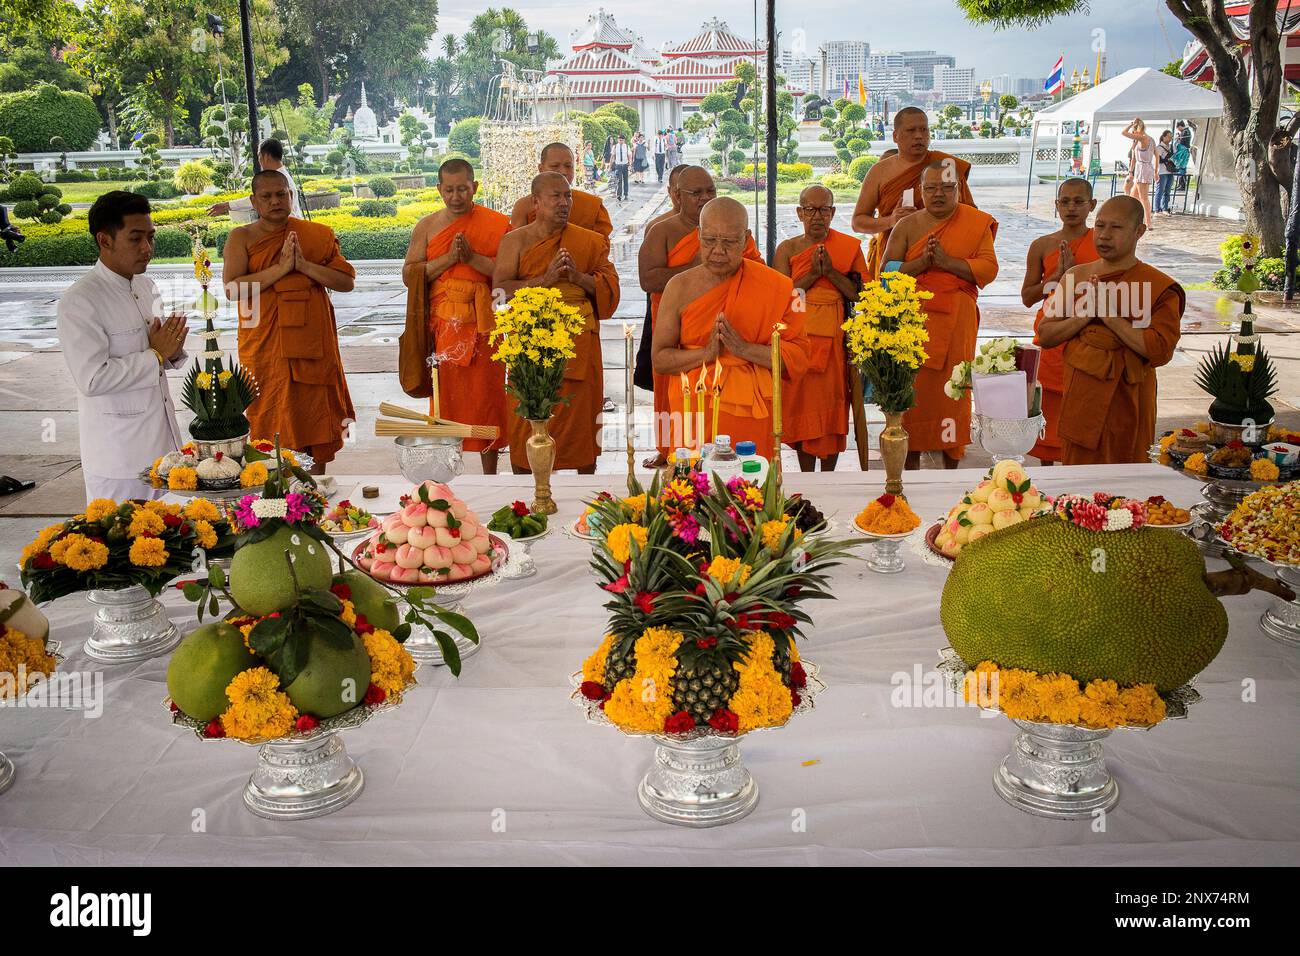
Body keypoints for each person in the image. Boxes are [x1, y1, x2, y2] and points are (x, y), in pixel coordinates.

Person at [653, 197, 808, 460]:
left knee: (749, 488)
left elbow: (799, 358)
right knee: (690, 491)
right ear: (699, 235)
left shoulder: (781, 287)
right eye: (710, 240)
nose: (718, 251)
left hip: (750, 410)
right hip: (693, 406)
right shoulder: (678, 287)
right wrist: (706, 354)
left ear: (746, 239)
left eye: (729, 242)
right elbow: (660, 360)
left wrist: (744, 349)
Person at [222, 169, 355, 473]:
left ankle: (315, 494)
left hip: (312, 343)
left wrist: (303, 265)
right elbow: (232, 289)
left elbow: (345, 282)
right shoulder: (241, 237)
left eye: (281, 194)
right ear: (254, 201)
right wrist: (281, 270)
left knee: (315, 417)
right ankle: (275, 496)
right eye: (266, 196)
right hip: (266, 346)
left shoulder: (315, 235)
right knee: (270, 415)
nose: (275, 201)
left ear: (291, 196)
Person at [58, 191, 187, 501]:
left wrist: (169, 351)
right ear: (105, 240)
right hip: (118, 457)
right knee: (123, 545)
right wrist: (155, 354)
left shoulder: (146, 285)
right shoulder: (80, 301)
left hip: (163, 444)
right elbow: (92, 378)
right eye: (136, 239)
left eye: (151, 237)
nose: (148, 248)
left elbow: (154, 357)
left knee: (171, 542)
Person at [1037, 195, 1183, 465]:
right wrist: (1084, 315)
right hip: (1084, 391)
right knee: (1078, 481)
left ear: (1139, 231)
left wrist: (1110, 317)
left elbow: (1160, 350)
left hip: (1131, 396)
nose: (1103, 236)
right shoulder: (1076, 277)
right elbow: (1045, 334)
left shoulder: (1157, 285)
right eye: (1100, 226)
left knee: (1127, 474)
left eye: (1115, 228)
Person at [493, 172, 620, 475]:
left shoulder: (588, 242)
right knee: (528, 415)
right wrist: (544, 281)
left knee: (579, 418)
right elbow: (498, 293)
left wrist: (577, 278)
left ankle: (582, 489)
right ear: (536, 202)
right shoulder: (515, 241)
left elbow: (610, 288)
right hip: (530, 340)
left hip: (577, 338)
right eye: (556, 197)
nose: (564, 203)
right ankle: (527, 488)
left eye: (568, 196)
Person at [639, 166, 762, 465]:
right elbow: (648, 280)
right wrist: (697, 267)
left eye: (710, 191)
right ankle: (672, 451)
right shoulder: (662, 230)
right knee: (671, 393)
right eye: (697, 193)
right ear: (678, 196)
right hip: (677, 319)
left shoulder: (734, 231)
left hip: (730, 323)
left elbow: (756, 271)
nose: (705, 197)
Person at [882, 161, 998, 469]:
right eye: (931, 187)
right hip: (914, 322)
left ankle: (952, 469)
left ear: (959, 190)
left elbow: (988, 269)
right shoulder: (907, 226)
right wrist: (920, 265)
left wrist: (947, 262)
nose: (939, 194)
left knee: (954, 395)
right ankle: (909, 467)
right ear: (920, 190)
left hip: (957, 320)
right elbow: (885, 274)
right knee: (914, 398)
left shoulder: (975, 223)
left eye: (947, 188)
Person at [402, 158, 511, 475]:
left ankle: (490, 472)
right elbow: (410, 274)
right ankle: (447, 472)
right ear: (439, 189)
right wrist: (450, 258)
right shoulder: (427, 226)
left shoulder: (497, 224)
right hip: (443, 329)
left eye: (462, 189)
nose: (456, 196)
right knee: (446, 401)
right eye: (449, 189)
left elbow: (507, 274)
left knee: (487, 400)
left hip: (484, 327)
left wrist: (472, 258)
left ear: (474, 187)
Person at [773, 184, 866, 472]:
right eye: (810, 210)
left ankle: (829, 477)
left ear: (833, 212)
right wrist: (813, 273)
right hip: (798, 339)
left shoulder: (848, 247)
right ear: (799, 212)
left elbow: (859, 294)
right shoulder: (787, 249)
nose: (817, 216)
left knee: (831, 413)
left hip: (834, 344)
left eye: (824, 209)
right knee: (801, 411)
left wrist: (830, 274)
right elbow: (780, 296)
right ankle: (805, 476)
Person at [1021, 177, 1098, 465]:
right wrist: (1055, 279)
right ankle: (1047, 471)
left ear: (1092, 205)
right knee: (1049, 410)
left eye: (1079, 202)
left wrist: (1077, 274)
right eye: (1065, 201)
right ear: (1056, 205)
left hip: (1089, 332)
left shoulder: (1103, 245)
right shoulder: (1042, 245)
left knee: (1082, 406)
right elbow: (1028, 297)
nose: (1071, 208)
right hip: (1052, 333)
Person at [852, 107, 975, 280]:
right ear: (895, 136)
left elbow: (970, 216)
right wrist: (891, 220)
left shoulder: (947, 165)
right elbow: (858, 222)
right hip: (896, 259)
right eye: (911, 130)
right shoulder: (879, 172)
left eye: (924, 130)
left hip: (941, 257)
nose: (919, 136)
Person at [509, 142, 612, 240]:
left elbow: (601, 249)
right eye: (554, 166)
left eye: (568, 166)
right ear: (541, 169)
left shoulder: (591, 206)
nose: (563, 172)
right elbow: (516, 248)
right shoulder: (524, 206)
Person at [208, 139, 302, 219]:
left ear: (265, 157)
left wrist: (227, 205)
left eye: (259, 156)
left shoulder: (277, 179)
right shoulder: (282, 176)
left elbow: (257, 200)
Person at [1122, 118, 1156, 229]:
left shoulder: (1143, 138)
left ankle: (1148, 222)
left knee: (1143, 197)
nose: (1133, 134)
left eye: (1134, 131)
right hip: (1141, 169)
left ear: (1137, 130)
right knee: (1133, 196)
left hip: (1143, 169)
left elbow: (1123, 133)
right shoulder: (1147, 139)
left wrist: (1130, 124)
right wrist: (1130, 172)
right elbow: (1134, 158)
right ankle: (1132, 218)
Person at [1154, 130, 1176, 215]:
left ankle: (1165, 209)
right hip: (1162, 171)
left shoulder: (1172, 147)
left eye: (1171, 137)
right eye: (1169, 137)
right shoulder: (1159, 147)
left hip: (1170, 171)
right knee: (1160, 191)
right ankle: (1157, 209)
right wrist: (1168, 159)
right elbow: (1158, 160)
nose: (1170, 138)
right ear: (1163, 137)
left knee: (1167, 191)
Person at [611, 134, 631, 202]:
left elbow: (629, 156)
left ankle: (626, 194)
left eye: (622, 140)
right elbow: (612, 156)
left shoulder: (627, 146)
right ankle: (619, 195)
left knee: (626, 180)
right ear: (618, 140)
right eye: (619, 140)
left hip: (625, 165)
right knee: (619, 181)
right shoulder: (615, 146)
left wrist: (630, 164)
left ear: (624, 140)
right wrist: (610, 166)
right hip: (618, 165)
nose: (620, 141)